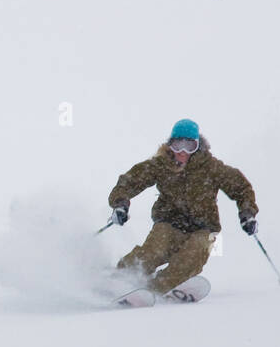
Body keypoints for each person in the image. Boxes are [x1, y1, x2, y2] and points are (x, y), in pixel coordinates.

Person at [107, 119, 258, 296]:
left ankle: (153, 290)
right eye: (178, 145)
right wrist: (121, 204)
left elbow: (241, 188)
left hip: (204, 228)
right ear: (170, 144)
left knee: (191, 257)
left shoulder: (211, 167)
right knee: (152, 252)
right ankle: (119, 279)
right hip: (169, 222)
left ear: (198, 146)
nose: (182, 152)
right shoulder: (161, 164)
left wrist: (247, 213)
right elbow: (130, 181)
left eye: (189, 145)